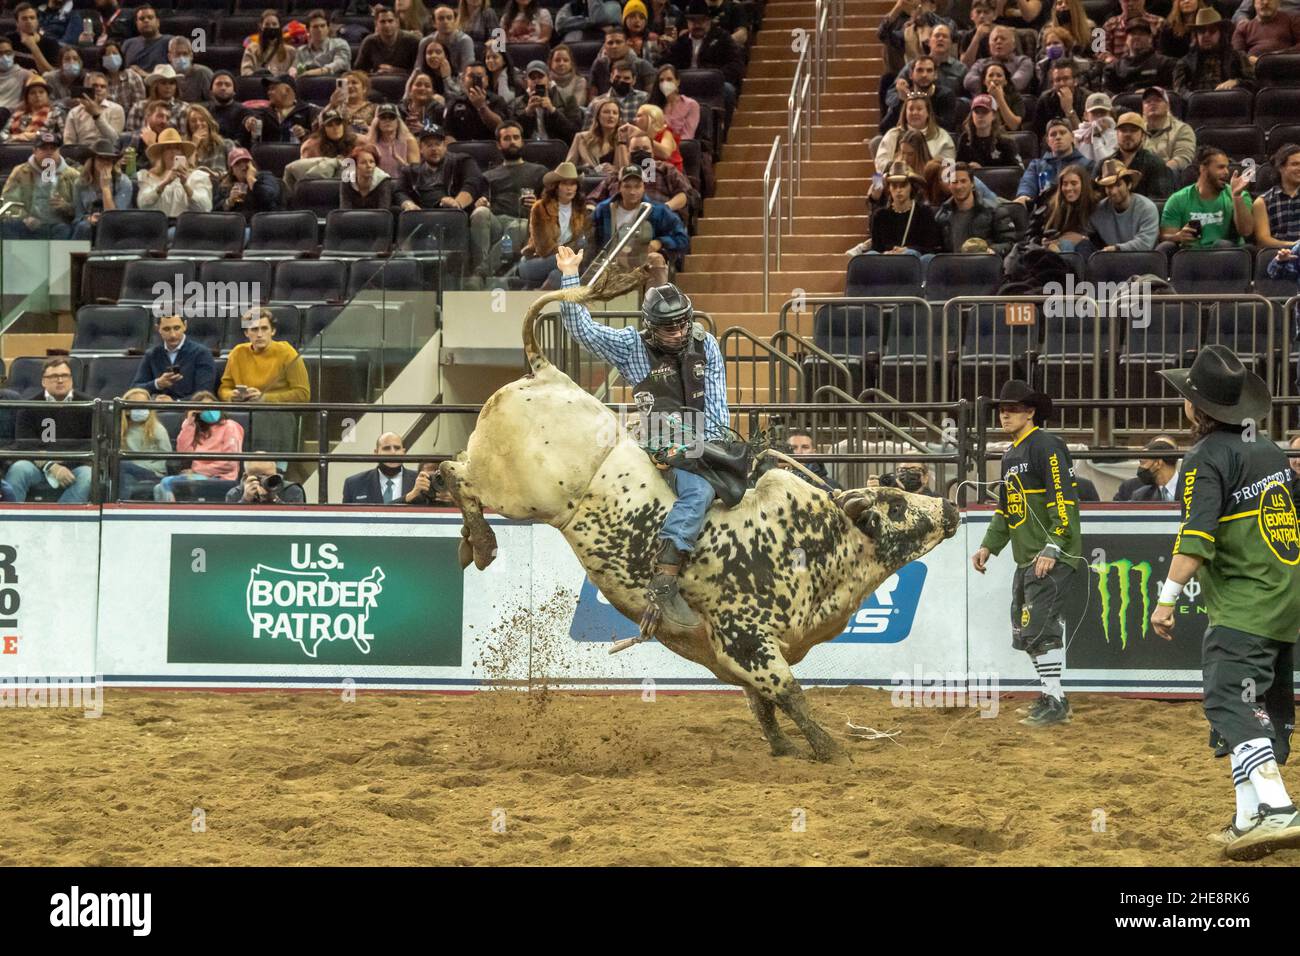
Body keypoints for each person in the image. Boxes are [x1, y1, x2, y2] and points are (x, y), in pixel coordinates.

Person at [1151, 345, 1300, 860]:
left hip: (1244, 604)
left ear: (1197, 409)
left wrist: (1166, 600)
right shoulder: (1272, 452)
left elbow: (1196, 538)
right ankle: (1247, 817)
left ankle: (1278, 808)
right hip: (1283, 601)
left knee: (1229, 701)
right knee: (1256, 707)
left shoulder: (1204, 458)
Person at [556, 242, 728, 630]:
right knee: (699, 492)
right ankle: (663, 582)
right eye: (670, 327)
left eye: (683, 323)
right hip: (657, 440)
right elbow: (582, 330)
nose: (679, 331)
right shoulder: (632, 345)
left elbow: (717, 405)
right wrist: (570, 275)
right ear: (652, 325)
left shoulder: (706, 344)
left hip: (704, 439)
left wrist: (716, 448)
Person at [971, 379, 1086, 727]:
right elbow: (1008, 508)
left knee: (1039, 627)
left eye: (1013, 408)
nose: (1005, 414)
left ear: (1030, 412)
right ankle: (1052, 695)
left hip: (1050, 555)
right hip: (1028, 556)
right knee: (1028, 630)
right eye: (1002, 409)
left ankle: (1055, 700)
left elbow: (1063, 498)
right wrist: (989, 545)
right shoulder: (1010, 454)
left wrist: (1054, 544)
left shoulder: (1047, 445)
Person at [219, 307, 311, 457]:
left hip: (276, 413)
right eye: (254, 329)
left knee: (261, 416)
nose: (259, 334)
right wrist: (232, 395)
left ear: (272, 331)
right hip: (244, 410)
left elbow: (303, 394)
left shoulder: (287, 353)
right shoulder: (237, 353)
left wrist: (264, 398)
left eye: (264, 328)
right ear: (246, 333)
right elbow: (224, 388)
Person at [468, 121, 547, 286]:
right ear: (499, 144)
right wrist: (481, 203)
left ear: (522, 141)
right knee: (479, 213)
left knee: (517, 226)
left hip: (526, 223)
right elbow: (482, 202)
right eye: (507, 138)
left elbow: (551, 204)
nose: (512, 141)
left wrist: (537, 203)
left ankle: (480, 274)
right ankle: (482, 270)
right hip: (497, 222)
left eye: (516, 137)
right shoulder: (488, 175)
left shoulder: (539, 171)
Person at [4, 358, 93, 503]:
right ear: (43, 381)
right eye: (53, 376)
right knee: (19, 469)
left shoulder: (89, 405)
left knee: (88, 475)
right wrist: (51, 465)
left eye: (64, 375)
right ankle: (10, 522)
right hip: (37, 467)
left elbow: (94, 443)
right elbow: (25, 445)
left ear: (71, 379)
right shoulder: (28, 406)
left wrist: (65, 459)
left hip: (75, 466)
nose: (59, 380)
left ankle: (60, 522)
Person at [592, 163, 688, 274]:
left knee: (656, 259)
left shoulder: (658, 211)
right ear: (619, 187)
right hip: (608, 268)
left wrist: (660, 242)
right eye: (627, 186)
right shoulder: (603, 210)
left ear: (644, 188)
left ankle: (654, 292)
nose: (632, 192)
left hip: (643, 267)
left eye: (637, 186)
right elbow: (590, 243)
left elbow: (682, 238)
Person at [1158, 145, 1253, 252]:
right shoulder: (1177, 199)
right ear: (1203, 169)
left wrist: (1236, 196)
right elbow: (1165, 236)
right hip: (1190, 255)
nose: (1227, 172)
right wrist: (1178, 237)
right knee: (1165, 247)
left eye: (1227, 167)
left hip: (1225, 256)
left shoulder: (1239, 195)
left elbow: (1246, 232)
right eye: (1221, 167)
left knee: (1221, 244)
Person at [152, 391, 244, 501]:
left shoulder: (230, 426)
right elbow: (184, 454)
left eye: (212, 406)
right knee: (159, 487)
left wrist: (197, 470)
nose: (209, 410)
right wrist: (189, 423)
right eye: (203, 408)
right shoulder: (198, 430)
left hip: (222, 478)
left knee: (168, 483)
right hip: (199, 476)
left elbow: (230, 463)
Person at [520, 161, 593, 288]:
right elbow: (544, 248)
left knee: (557, 275)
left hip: (564, 263)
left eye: (573, 184)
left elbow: (582, 243)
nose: (569, 188)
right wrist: (570, 255)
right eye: (565, 183)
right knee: (569, 262)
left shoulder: (580, 210)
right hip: (536, 261)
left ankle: (538, 300)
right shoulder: (540, 207)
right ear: (556, 186)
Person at [589, 130, 692, 215]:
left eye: (645, 148)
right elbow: (592, 200)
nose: (641, 152)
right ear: (629, 152)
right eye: (636, 149)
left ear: (652, 151)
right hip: (619, 222)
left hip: (658, 219)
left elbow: (684, 194)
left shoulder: (666, 169)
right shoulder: (617, 175)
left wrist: (663, 208)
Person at [666, 0, 743, 111]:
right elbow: (669, 62)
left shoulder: (722, 38)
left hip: (712, 83)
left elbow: (736, 64)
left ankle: (724, 127)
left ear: (709, 20)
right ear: (687, 22)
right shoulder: (681, 42)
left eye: (701, 20)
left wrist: (717, 76)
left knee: (727, 90)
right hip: (685, 83)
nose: (697, 25)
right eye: (693, 21)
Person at [0, 129, 77, 239]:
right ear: (34, 151)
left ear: (59, 151)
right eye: (44, 148)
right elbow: (9, 201)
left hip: (59, 224)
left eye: (53, 148)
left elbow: (81, 209)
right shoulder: (20, 172)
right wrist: (25, 217)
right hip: (28, 224)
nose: (49, 152)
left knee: (63, 229)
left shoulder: (72, 175)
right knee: (8, 225)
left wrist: (66, 207)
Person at [935, 161, 1018, 255]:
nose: (958, 186)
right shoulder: (942, 215)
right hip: (953, 265)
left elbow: (1010, 243)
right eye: (954, 182)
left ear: (972, 184)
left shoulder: (994, 211)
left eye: (963, 181)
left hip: (983, 264)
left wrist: (991, 250)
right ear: (949, 185)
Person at [131, 312, 217, 400]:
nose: (173, 335)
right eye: (166, 329)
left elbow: (204, 393)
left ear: (185, 326)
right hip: (157, 409)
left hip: (189, 409)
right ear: (158, 329)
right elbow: (135, 389)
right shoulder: (152, 354)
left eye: (176, 328)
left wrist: (175, 402)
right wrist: (157, 384)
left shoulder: (202, 353)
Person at [396, 124, 482, 212]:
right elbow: (399, 191)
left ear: (445, 146)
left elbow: (473, 184)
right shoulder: (410, 171)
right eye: (429, 145)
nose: (434, 149)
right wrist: (408, 204)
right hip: (421, 216)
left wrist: (457, 203)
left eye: (438, 144)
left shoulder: (462, 162)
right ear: (420, 148)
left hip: (455, 215)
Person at [869, 160, 943, 258]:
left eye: (903, 186)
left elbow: (930, 248)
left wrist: (908, 249)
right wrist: (886, 253)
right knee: (870, 255)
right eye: (894, 186)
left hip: (914, 261)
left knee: (912, 254)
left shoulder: (924, 213)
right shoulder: (880, 215)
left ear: (911, 187)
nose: (898, 190)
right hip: (887, 262)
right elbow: (876, 248)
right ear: (889, 189)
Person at [1174, 8, 1254, 96]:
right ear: (1196, 36)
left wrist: (1236, 82)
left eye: (1212, 30)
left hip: (1229, 104)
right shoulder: (1185, 63)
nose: (1206, 35)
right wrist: (1193, 98)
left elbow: (1254, 85)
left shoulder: (1238, 57)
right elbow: (1179, 90)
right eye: (1201, 31)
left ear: (1221, 33)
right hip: (1197, 106)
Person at [136, 127, 213, 217]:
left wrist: (185, 186)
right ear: (161, 155)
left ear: (182, 153)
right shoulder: (148, 176)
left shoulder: (197, 176)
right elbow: (142, 204)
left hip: (187, 227)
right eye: (168, 148)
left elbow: (205, 208)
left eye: (177, 148)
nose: (173, 152)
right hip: (157, 227)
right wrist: (164, 183)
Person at [70, 138, 134, 240]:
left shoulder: (123, 182)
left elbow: (115, 218)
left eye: (108, 159)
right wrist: (89, 218)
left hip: (116, 227)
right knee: (83, 227)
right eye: (101, 158)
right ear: (92, 160)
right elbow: (78, 216)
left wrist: (105, 188)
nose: (105, 162)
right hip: (88, 226)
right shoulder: (80, 184)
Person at [1015, 119, 1089, 206]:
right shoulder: (1036, 165)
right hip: (1044, 214)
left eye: (1062, 133)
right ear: (1048, 141)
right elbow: (1027, 184)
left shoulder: (1087, 164)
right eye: (1053, 134)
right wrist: (1024, 196)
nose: (1058, 137)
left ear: (1072, 137)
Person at [875, 91, 956, 170]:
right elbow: (880, 162)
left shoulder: (942, 136)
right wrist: (896, 167)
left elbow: (948, 166)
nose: (915, 113)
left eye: (919, 109)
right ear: (905, 112)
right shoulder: (893, 134)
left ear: (928, 112)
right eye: (911, 109)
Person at [1092, 158, 1160, 250]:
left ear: (1129, 185)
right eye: (1109, 186)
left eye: (1118, 185)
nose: (1114, 191)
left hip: (1143, 260)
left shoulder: (1147, 208)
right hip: (1110, 261)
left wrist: (1117, 248)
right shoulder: (1099, 210)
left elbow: (1145, 244)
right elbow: (1087, 231)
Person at [116, 387, 171, 500]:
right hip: (127, 471)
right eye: (137, 404)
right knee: (122, 473)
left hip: (153, 473)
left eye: (144, 404)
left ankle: (120, 506)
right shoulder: (120, 429)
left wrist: (138, 466)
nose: (141, 408)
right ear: (126, 409)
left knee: (121, 465)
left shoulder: (157, 428)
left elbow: (167, 459)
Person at [882, 55, 957, 135]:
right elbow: (884, 129)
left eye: (929, 71)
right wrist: (902, 101)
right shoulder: (904, 94)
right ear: (911, 75)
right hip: (906, 139)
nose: (924, 75)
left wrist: (924, 113)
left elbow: (948, 126)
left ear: (935, 75)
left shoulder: (945, 94)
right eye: (919, 70)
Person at [513, 59, 582, 142]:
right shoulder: (516, 103)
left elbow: (574, 132)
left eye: (540, 76)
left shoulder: (568, 100)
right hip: (528, 147)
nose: (536, 80)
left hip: (557, 147)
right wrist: (527, 113)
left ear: (549, 79)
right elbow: (510, 133)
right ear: (526, 81)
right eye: (532, 77)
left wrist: (553, 111)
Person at [1036, 162, 1099, 253]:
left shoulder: (1095, 205)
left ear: (1083, 185)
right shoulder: (1054, 207)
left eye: (1074, 183)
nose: (1068, 188)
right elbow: (1043, 234)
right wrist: (1045, 242)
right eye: (1065, 184)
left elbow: (1100, 240)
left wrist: (1080, 238)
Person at [1103, 18, 1178, 93]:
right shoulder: (1114, 69)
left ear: (1150, 38)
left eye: (1141, 34)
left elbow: (1173, 91)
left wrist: (1149, 92)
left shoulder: (1166, 64)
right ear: (1126, 39)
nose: (1137, 37)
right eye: (1133, 34)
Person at [342, 432, 421, 503]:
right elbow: (345, 518)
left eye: (397, 448)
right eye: (386, 448)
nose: (393, 452)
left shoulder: (420, 482)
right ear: (376, 453)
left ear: (403, 452)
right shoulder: (354, 484)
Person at [241, 74, 317, 148]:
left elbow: (318, 138)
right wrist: (248, 121)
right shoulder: (263, 112)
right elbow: (252, 118)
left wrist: (305, 134)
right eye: (268, 89)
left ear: (287, 90)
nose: (268, 92)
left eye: (273, 88)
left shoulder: (309, 111)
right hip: (267, 155)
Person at [1111, 111, 1174, 199]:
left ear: (1143, 136)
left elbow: (1159, 201)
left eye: (1133, 130)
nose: (1128, 134)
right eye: (1123, 130)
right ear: (1117, 134)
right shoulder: (1105, 163)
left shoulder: (1155, 164)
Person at [442, 61, 509, 142]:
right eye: (471, 76)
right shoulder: (455, 102)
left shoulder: (497, 100)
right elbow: (447, 132)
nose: (475, 79)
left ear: (486, 80)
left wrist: (481, 106)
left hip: (490, 148)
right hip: (461, 149)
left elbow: (500, 127)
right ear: (463, 80)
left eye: (479, 76)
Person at [1252, 143, 1300, 249]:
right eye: (1295, 164)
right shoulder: (1262, 202)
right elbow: (1263, 240)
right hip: (1279, 257)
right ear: (1281, 168)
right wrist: (1294, 246)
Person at [963, 25, 1034, 95]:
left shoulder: (1023, 61)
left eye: (1003, 39)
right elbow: (968, 81)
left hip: (1012, 102)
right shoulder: (980, 63)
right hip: (983, 101)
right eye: (995, 39)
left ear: (1013, 45)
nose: (998, 42)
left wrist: (990, 85)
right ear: (989, 46)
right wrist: (994, 87)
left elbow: (1018, 82)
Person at [1142, 85, 1197, 173]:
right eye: (1147, 102)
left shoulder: (1182, 129)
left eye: (1158, 100)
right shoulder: (1137, 130)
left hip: (1168, 176)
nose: (1152, 103)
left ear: (1167, 106)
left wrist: (1159, 172)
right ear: (1143, 109)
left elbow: (1183, 159)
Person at [218, 146, 285, 219]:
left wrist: (251, 180)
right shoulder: (225, 187)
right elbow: (215, 212)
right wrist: (229, 201)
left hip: (264, 223)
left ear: (252, 165)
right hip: (237, 226)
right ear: (232, 171)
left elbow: (269, 198)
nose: (243, 166)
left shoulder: (266, 177)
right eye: (237, 163)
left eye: (246, 161)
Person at [956, 94, 1022, 167]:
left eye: (985, 112)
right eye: (976, 112)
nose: (980, 116)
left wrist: (982, 171)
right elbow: (958, 169)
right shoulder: (964, 139)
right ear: (972, 115)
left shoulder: (1006, 142)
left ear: (993, 115)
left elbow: (1017, 172)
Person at [61, 72, 125, 146]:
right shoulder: (74, 112)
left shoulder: (116, 109)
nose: (99, 89)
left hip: (107, 152)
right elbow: (69, 141)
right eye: (95, 86)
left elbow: (115, 140)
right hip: (82, 151)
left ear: (107, 91)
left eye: (103, 86)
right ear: (86, 88)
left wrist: (97, 116)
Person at [1033, 59, 1092, 139]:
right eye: (1057, 80)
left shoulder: (1088, 99)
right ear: (1053, 83)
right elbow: (1039, 134)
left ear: (1075, 81)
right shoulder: (1045, 99)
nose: (1061, 83)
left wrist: (1069, 110)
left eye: (1066, 79)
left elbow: (1086, 136)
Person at [355, 6, 421, 75]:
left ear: (397, 22)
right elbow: (358, 72)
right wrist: (375, 74)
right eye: (382, 22)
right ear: (376, 24)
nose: (387, 25)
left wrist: (396, 71)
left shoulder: (412, 41)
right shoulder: (369, 42)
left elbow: (420, 71)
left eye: (390, 21)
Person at [566, 98, 622, 176]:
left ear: (619, 118)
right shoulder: (581, 138)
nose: (611, 116)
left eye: (615, 113)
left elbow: (628, 168)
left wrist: (616, 169)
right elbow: (568, 167)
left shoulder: (623, 141)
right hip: (587, 181)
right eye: (606, 112)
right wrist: (584, 168)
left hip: (613, 184)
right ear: (598, 116)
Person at [1113, 433, 1179, 499]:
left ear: (1158, 463)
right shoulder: (1140, 496)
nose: (1141, 468)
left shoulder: (1188, 489)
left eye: (1143, 463)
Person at [1232, 0, 1300, 64]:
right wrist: (1249, 61)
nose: (1265, 2)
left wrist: (1268, 59)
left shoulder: (1292, 20)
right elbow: (1237, 55)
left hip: (1285, 66)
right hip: (1252, 70)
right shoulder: (1243, 28)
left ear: (1278, 3)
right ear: (1253, 3)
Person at [586, 61, 648, 127]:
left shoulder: (644, 99)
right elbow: (587, 131)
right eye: (617, 77)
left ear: (634, 80)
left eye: (626, 78)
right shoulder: (596, 103)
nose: (621, 81)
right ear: (611, 77)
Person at [1100, 0, 1166, 62]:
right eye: (1126, 0)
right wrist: (1116, 64)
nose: (1130, 4)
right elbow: (1100, 51)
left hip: (1151, 68)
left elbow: (1164, 53)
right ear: (1120, 1)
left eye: (1135, 0)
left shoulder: (1159, 23)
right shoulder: (1109, 24)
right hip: (1118, 69)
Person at [367, 103, 419, 180]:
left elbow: (416, 173)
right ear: (377, 122)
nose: (387, 120)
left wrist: (399, 160)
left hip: (402, 184)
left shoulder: (409, 141)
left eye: (391, 117)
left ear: (398, 121)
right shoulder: (371, 143)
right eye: (383, 117)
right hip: (378, 183)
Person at [648, 63, 699, 142]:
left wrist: (668, 146)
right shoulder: (654, 105)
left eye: (669, 79)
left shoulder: (691, 105)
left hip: (680, 148)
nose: (665, 83)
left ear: (677, 82)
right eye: (661, 80)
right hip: (657, 148)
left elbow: (688, 136)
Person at [225, 455, 306, 504]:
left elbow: (296, 523)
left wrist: (274, 499)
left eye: (271, 476)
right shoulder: (235, 494)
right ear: (246, 477)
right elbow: (231, 525)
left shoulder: (292, 490)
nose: (266, 480)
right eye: (260, 477)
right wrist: (245, 500)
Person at [296, 10, 352, 77]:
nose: (319, 30)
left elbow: (340, 64)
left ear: (328, 28)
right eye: (315, 27)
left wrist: (317, 71)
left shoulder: (340, 44)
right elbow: (297, 72)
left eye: (322, 26)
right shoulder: (301, 51)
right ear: (308, 30)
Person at [421, 4, 474, 76]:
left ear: (455, 21)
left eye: (449, 18)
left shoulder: (465, 41)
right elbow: (418, 68)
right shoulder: (426, 42)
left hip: (457, 82)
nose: (445, 22)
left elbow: (468, 72)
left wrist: (448, 80)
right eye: (441, 18)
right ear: (434, 23)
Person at [10, 3, 60, 76]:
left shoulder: (51, 44)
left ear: (37, 21)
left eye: (32, 18)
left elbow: (52, 77)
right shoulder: (8, 40)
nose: (29, 21)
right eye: (24, 18)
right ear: (17, 23)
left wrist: (33, 47)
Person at [120, 5, 171, 74]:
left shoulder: (171, 41)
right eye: (141, 19)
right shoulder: (128, 44)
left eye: (150, 17)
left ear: (158, 22)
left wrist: (144, 74)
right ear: (136, 23)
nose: (146, 20)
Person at [635, 102, 682, 172]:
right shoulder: (637, 138)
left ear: (652, 118)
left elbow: (665, 154)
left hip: (669, 176)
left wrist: (644, 137)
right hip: (650, 174)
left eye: (639, 116)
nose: (635, 120)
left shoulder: (666, 133)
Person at [1073, 91, 1118, 164]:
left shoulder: (1117, 135)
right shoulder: (1078, 136)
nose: (1099, 116)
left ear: (1110, 114)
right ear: (1086, 115)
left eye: (1103, 112)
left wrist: (1095, 136)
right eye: (1094, 113)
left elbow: (1106, 161)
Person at [6, 74, 53, 142]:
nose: (37, 95)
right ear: (27, 97)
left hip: (45, 149)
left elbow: (61, 137)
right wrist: (16, 137)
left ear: (47, 96)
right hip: (15, 149)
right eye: (32, 93)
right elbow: (3, 136)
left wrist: (37, 136)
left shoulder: (56, 113)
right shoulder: (16, 115)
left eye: (41, 92)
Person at [328, 70, 377, 135]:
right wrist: (331, 105)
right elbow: (317, 127)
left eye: (354, 83)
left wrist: (367, 128)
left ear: (364, 88)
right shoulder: (335, 107)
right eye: (347, 84)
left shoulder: (375, 108)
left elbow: (383, 131)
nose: (350, 86)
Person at [168, 36, 211, 103]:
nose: (181, 57)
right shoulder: (166, 75)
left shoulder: (203, 73)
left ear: (191, 56)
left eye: (185, 54)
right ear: (169, 57)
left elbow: (214, 102)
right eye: (177, 54)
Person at [0, 38, 35, 120]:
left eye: (8, 53)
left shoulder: (25, 74)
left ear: (13, 54)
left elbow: (32, 99)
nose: (4, 57)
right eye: (0, 54)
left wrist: (13, 110)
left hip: (10, 117)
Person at [548, 44, 590, 111]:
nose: (561, 63)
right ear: (551, 63)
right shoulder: (545, 81)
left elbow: (576, 107)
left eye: (565, 60)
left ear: (571, 63)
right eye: (557, 60)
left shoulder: (580, 81)